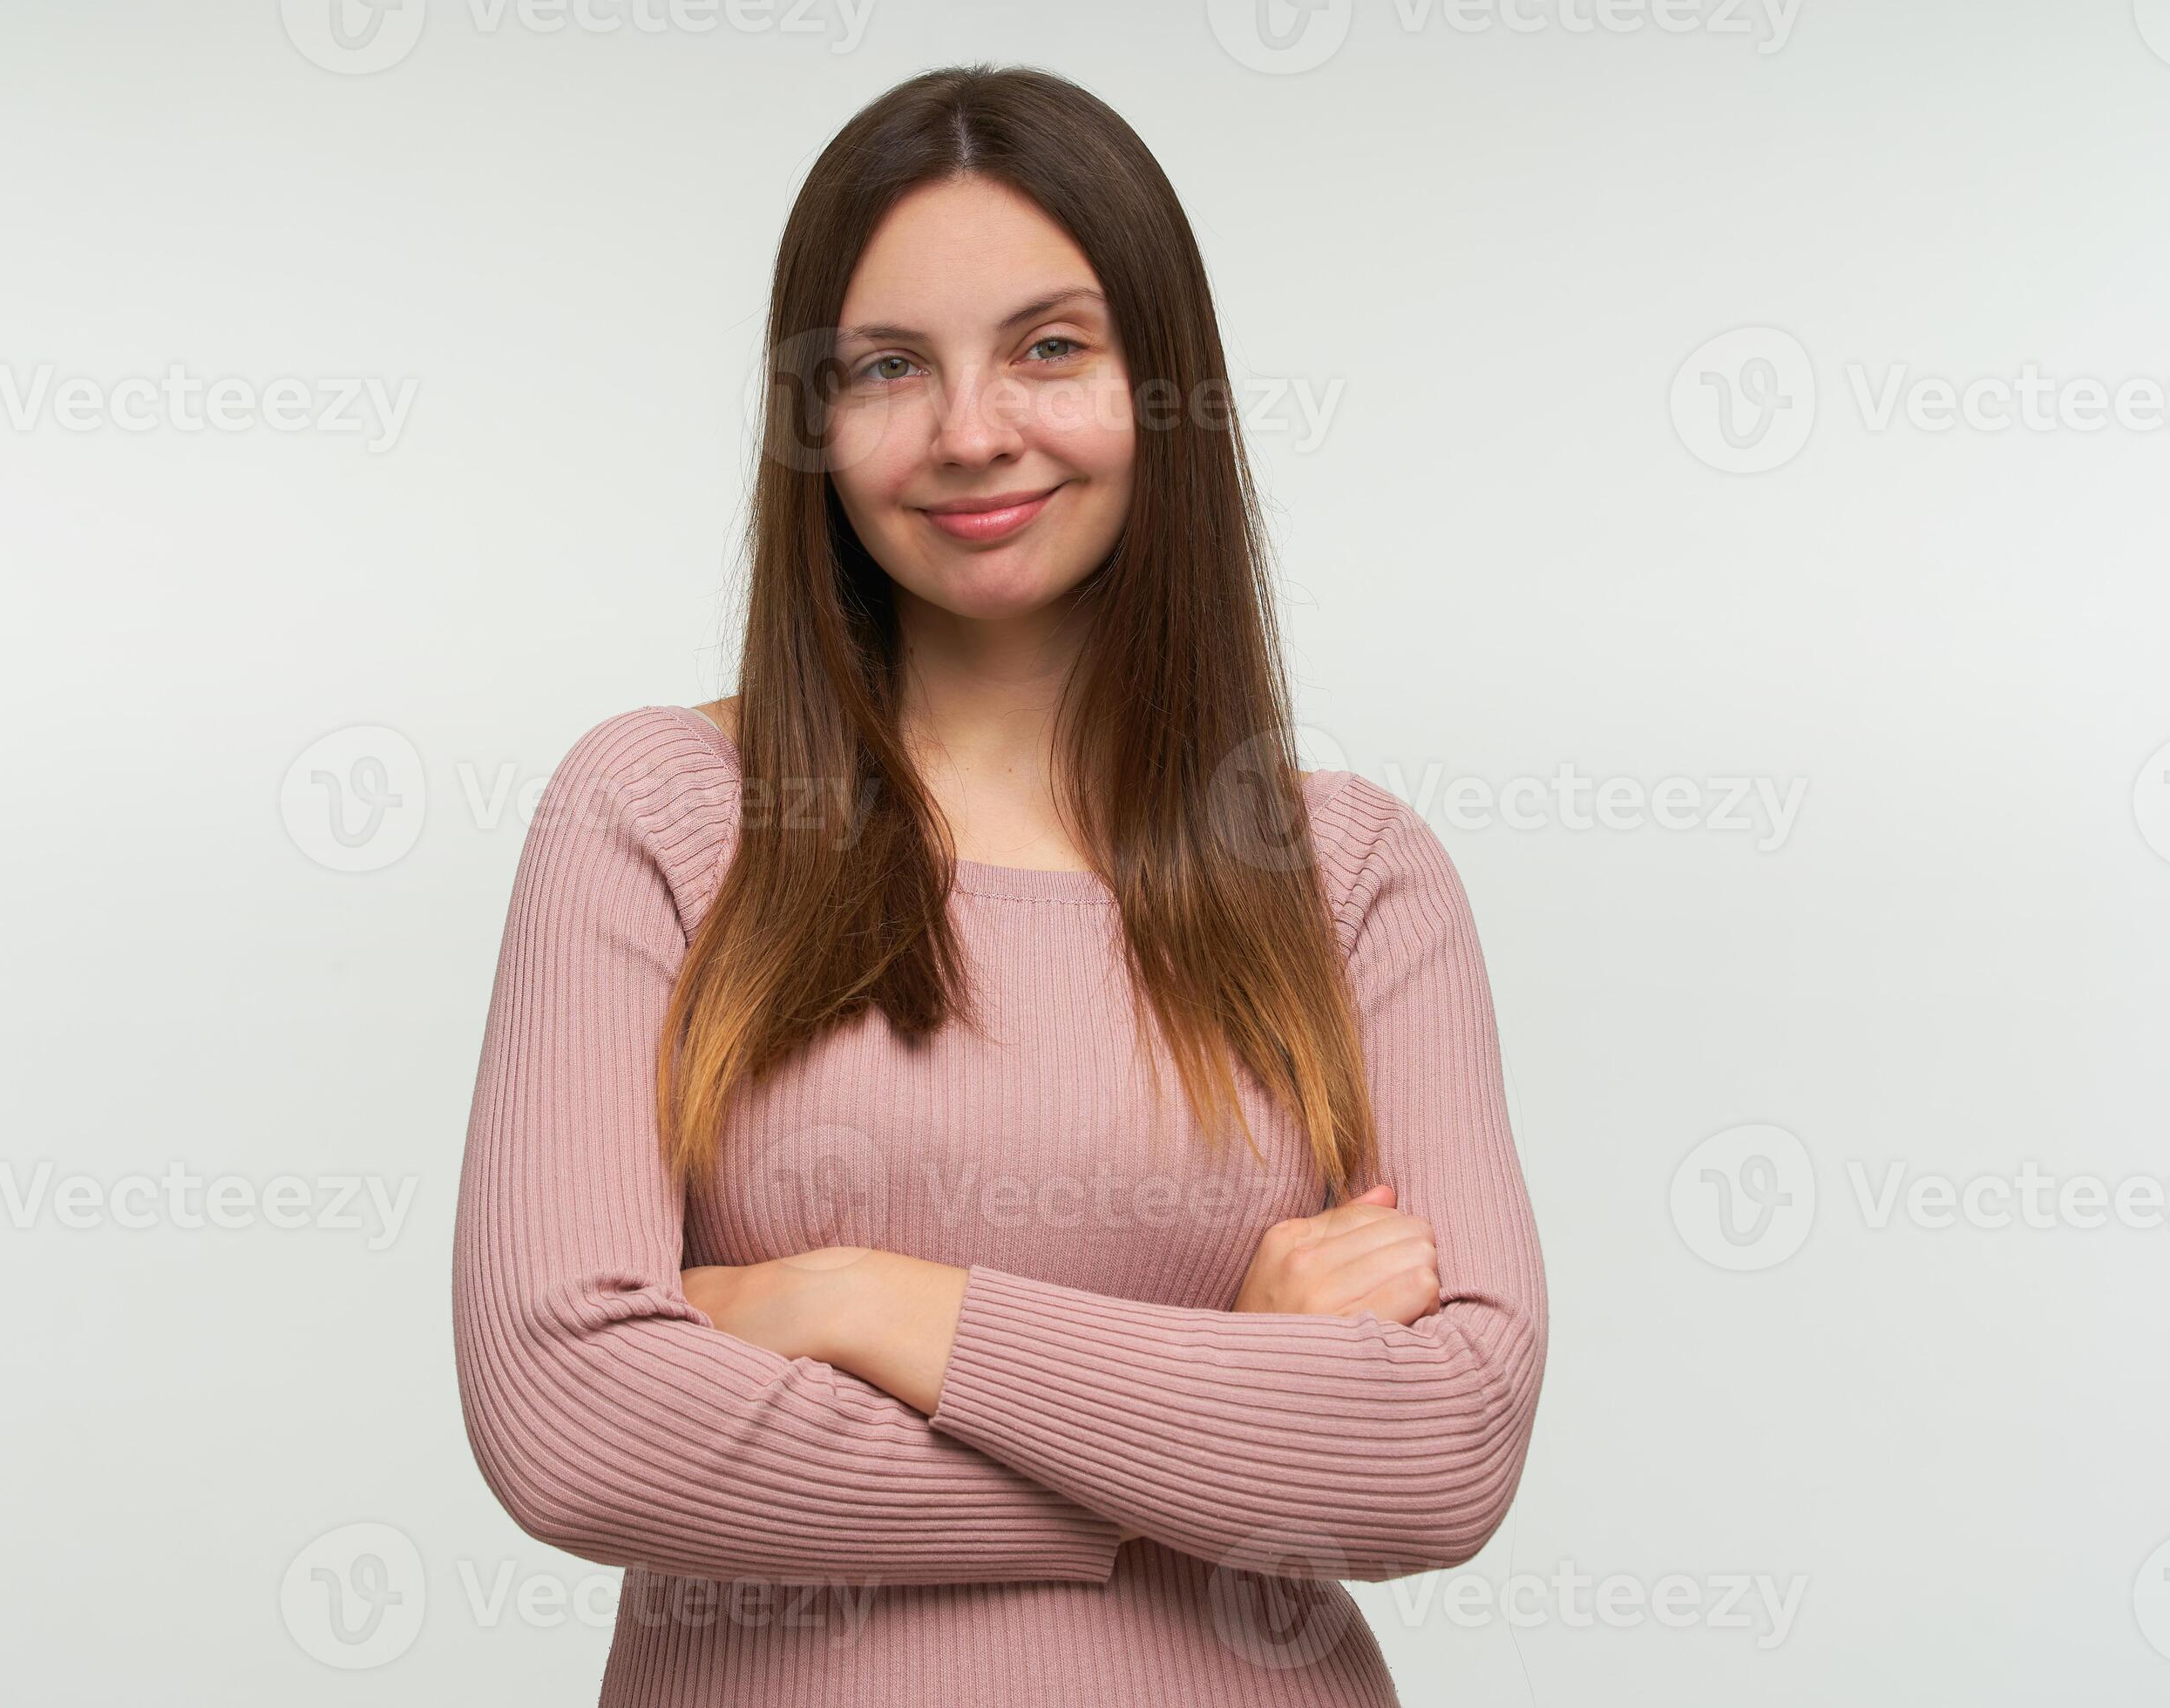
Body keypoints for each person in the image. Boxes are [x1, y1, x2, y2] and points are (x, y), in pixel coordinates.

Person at [451, 61, 1547, 1707]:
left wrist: (852, 1299)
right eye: (889, 366)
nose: (973, 432)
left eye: (1050, 347)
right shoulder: (665, 816)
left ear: (1161, 382)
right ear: (812, 419)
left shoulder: (1348, 878)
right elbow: (574, 1427)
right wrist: (1225, 1406)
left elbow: (1445, 1456)